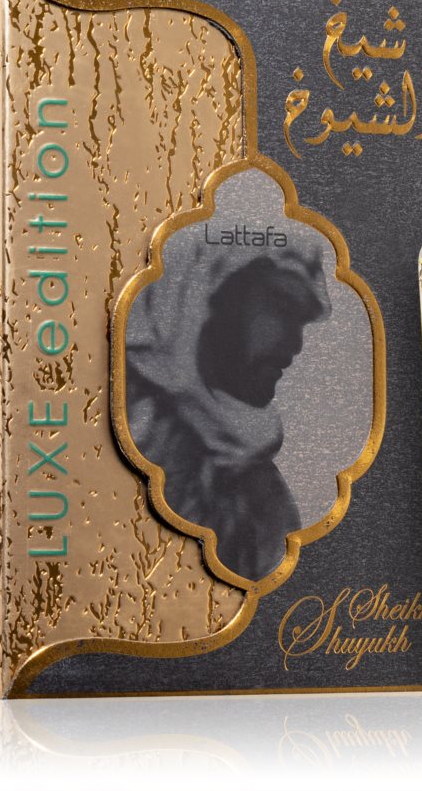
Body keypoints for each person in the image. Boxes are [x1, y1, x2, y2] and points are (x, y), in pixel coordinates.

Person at [124, 226, 331, 581]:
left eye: (300, 321)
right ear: (205, 293)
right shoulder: (119, 424)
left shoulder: (263, 497)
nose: (295, 343)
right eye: (281, 307)